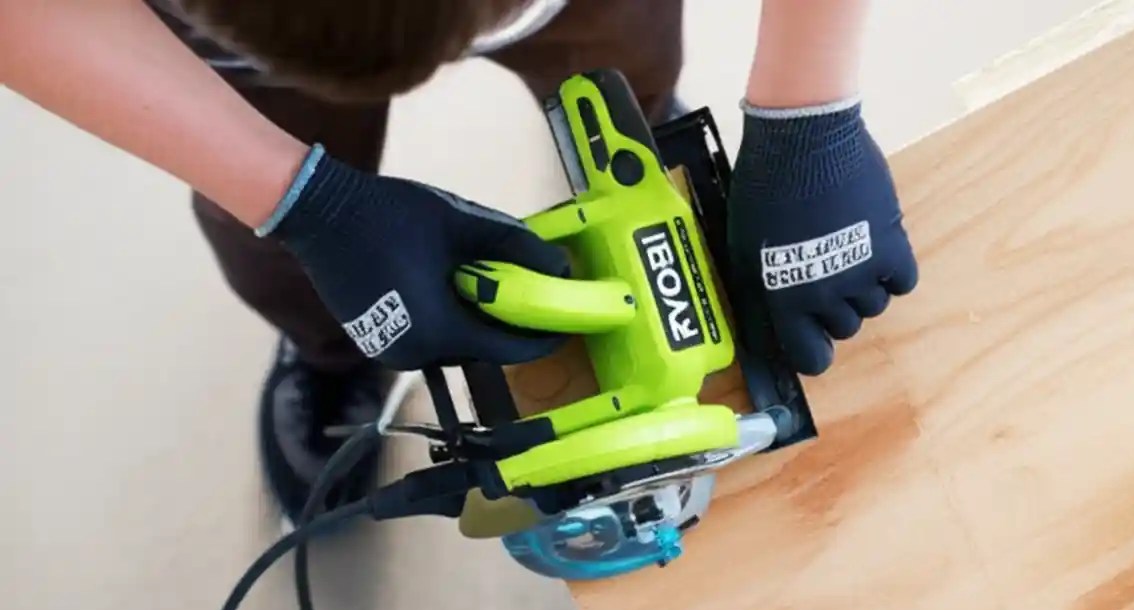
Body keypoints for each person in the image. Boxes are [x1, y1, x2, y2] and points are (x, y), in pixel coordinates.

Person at [0, 0, 918, 526]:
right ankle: (331, 352)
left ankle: (636, 155)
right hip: (231, 43)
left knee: (621, 85)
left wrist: (810, 114)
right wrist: (294, 198)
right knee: (282, 254)